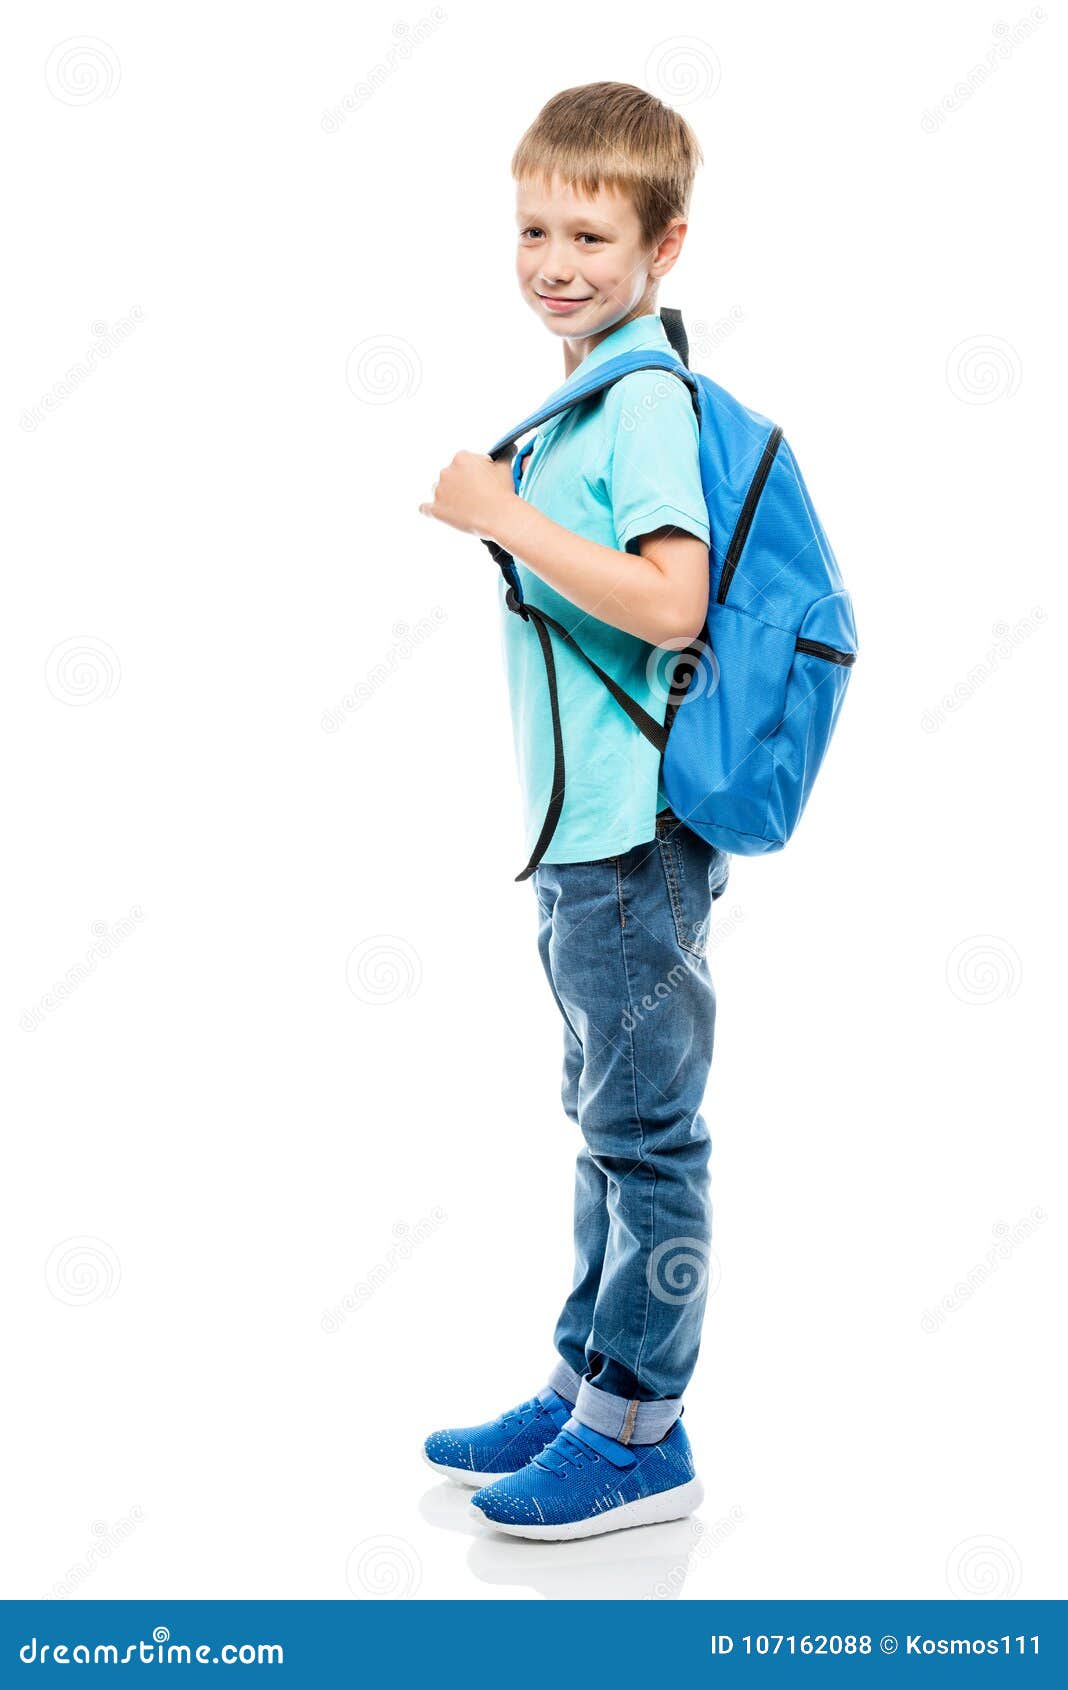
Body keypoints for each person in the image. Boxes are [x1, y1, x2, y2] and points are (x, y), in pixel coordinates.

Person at [417, 81, 730, 1541]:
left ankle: (639, 1435)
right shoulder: (584, 389)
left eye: (591, 233)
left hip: (632, 838)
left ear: (663, 246)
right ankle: (586, 1375)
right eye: (535, 226)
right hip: (584, 835)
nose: (554, 259)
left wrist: (504, 514)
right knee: (605, 1117)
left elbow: (672, 600)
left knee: (648, 1132)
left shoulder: (643, 397)